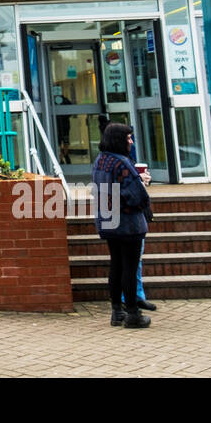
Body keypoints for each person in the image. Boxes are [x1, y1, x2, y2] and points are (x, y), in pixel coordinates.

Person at [92, 122, 153, 329]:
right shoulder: (122, 163)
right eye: (128, 138)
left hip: (108, 221)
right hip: (128, 224)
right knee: (129, 267)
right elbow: (136, 195)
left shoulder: (100, 161)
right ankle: (133, 314)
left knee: (116, 266)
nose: (131, 142)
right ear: (119, 139)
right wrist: (142, 186)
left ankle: (116, 311)